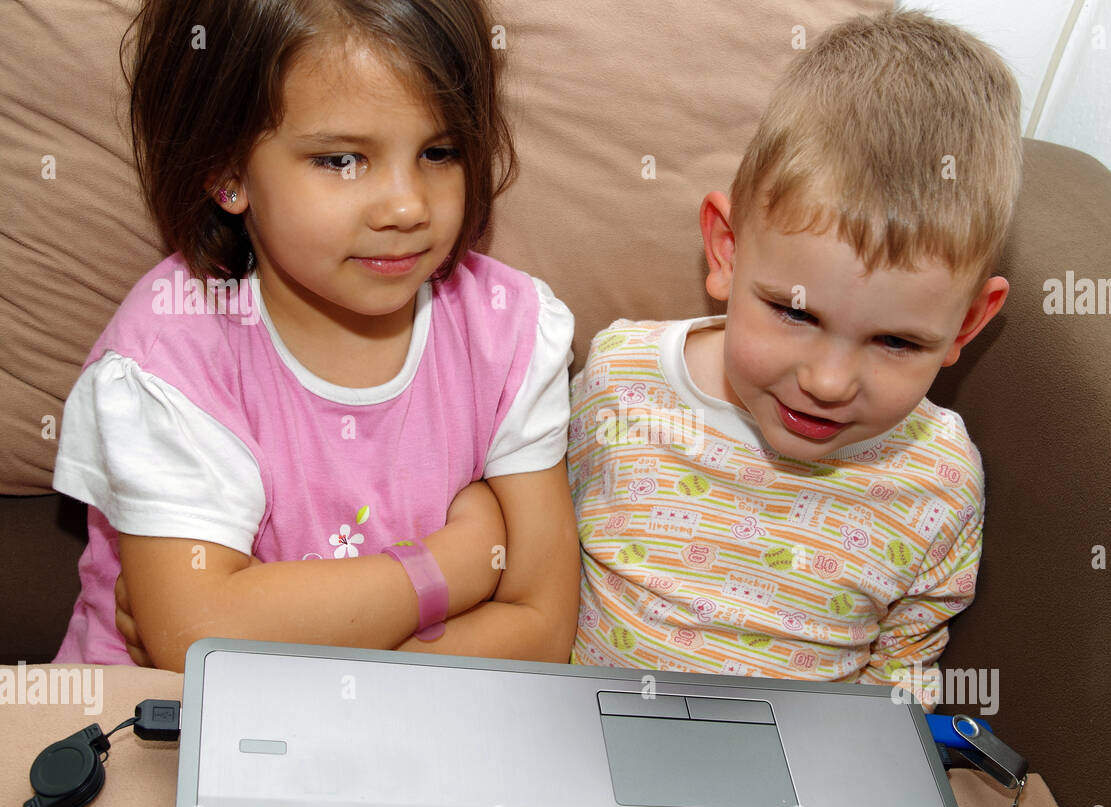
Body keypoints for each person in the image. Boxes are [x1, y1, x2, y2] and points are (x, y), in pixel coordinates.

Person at [52, 0, 578, 671]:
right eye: (342, 160)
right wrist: (455, 563)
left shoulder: (505, 332)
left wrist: (293, 648)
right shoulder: (174, 350)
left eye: (439, 152)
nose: (408, 206)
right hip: (158, 732)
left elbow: (542, 629)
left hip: (416, 737)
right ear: (227, 171)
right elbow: (198, 638)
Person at [567, 11, 1022, 709]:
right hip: (585, 748)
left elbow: (901, 674)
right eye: (796, 312)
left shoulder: (940, 480)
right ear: (726, 250)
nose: (827, 382)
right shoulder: (621, 380)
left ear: (967, 322)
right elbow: (538, 559)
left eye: (896, 342)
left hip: (793, 797)